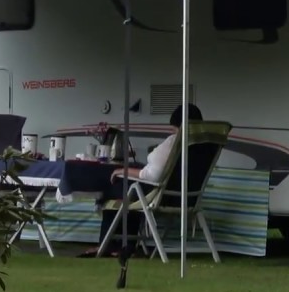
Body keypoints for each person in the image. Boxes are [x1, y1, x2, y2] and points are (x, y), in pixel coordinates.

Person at [80, 103, 202, 258]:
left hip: (162, 195)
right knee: (131, 190)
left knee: (113, 187)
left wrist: (122, 171)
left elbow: (152, 175)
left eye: (173, 129)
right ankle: (127, 245)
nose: (172, 132)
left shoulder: (175, 141)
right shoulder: (201, 145)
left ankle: (108, 245)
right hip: (186, 197)